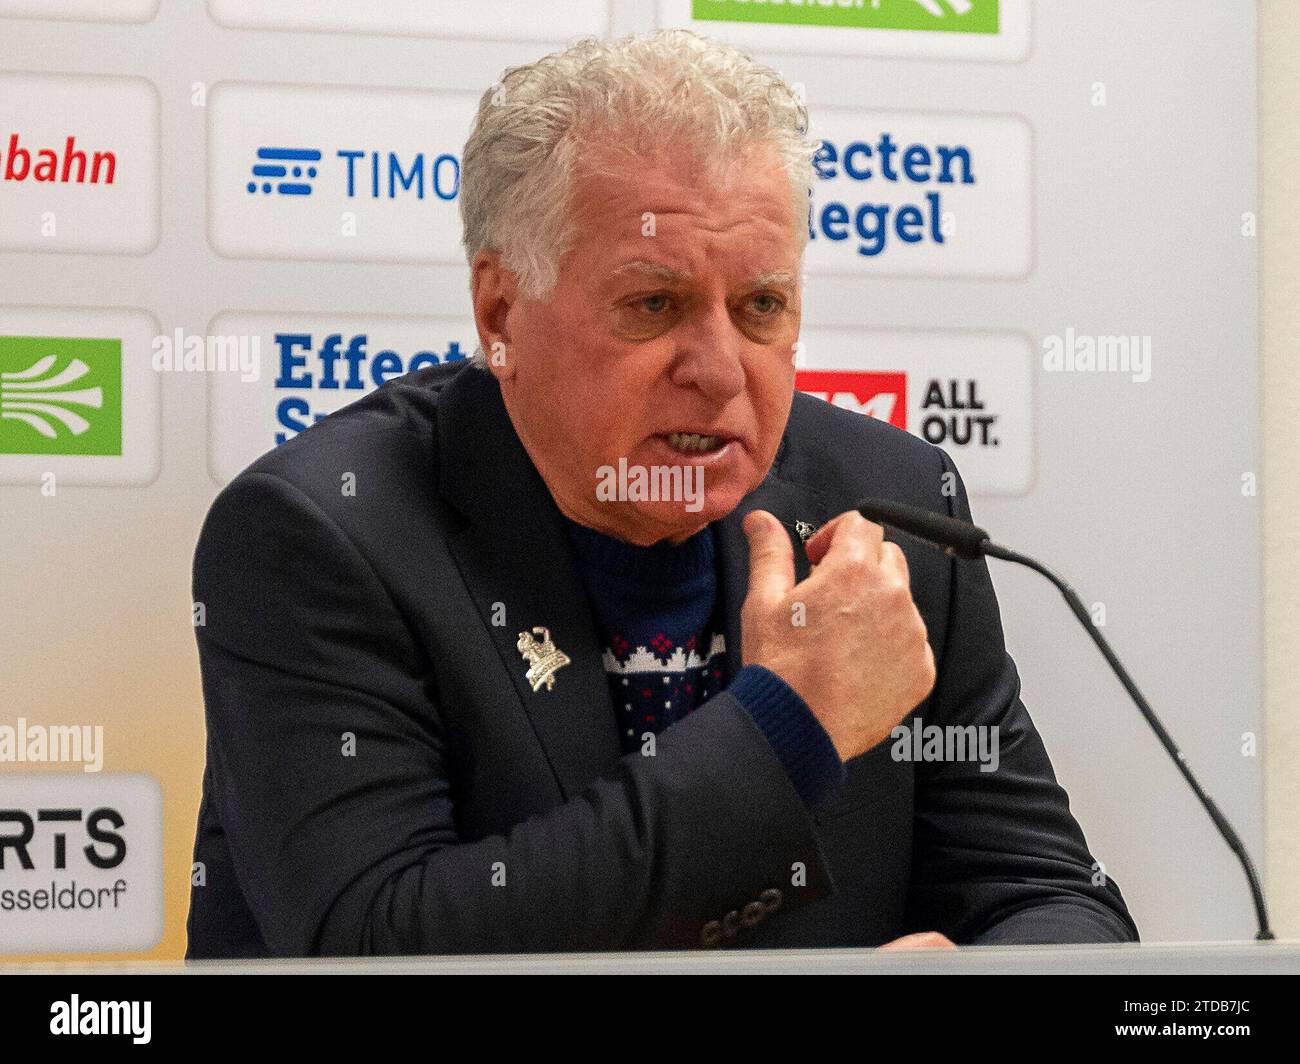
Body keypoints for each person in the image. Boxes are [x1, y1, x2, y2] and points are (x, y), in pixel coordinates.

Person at [187, 28, 1137, 956]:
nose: (721, 372)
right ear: (501, 310)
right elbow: (379, 941)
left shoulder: (888, 508)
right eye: (655, 306)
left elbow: (1051, 896)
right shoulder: (321, 534)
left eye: (761, 306)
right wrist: (786, 728)